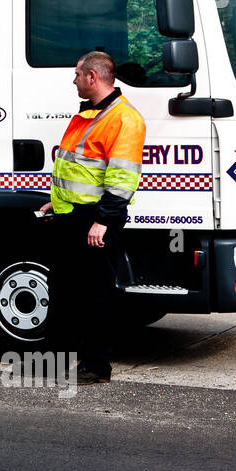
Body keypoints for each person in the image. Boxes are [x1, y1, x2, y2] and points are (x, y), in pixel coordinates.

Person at [38, 51, 145, 384]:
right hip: (71, 217)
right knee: (63, 291)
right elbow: (77, 169)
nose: (74, 80)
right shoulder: (89, 114)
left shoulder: (124, 119)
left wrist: (103, 221)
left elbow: (122, 178)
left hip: (94, 221)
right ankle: (52, 362)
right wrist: (56, 203)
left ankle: (97, 366)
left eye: (77, 74)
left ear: (92, 77)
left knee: (97, 295)